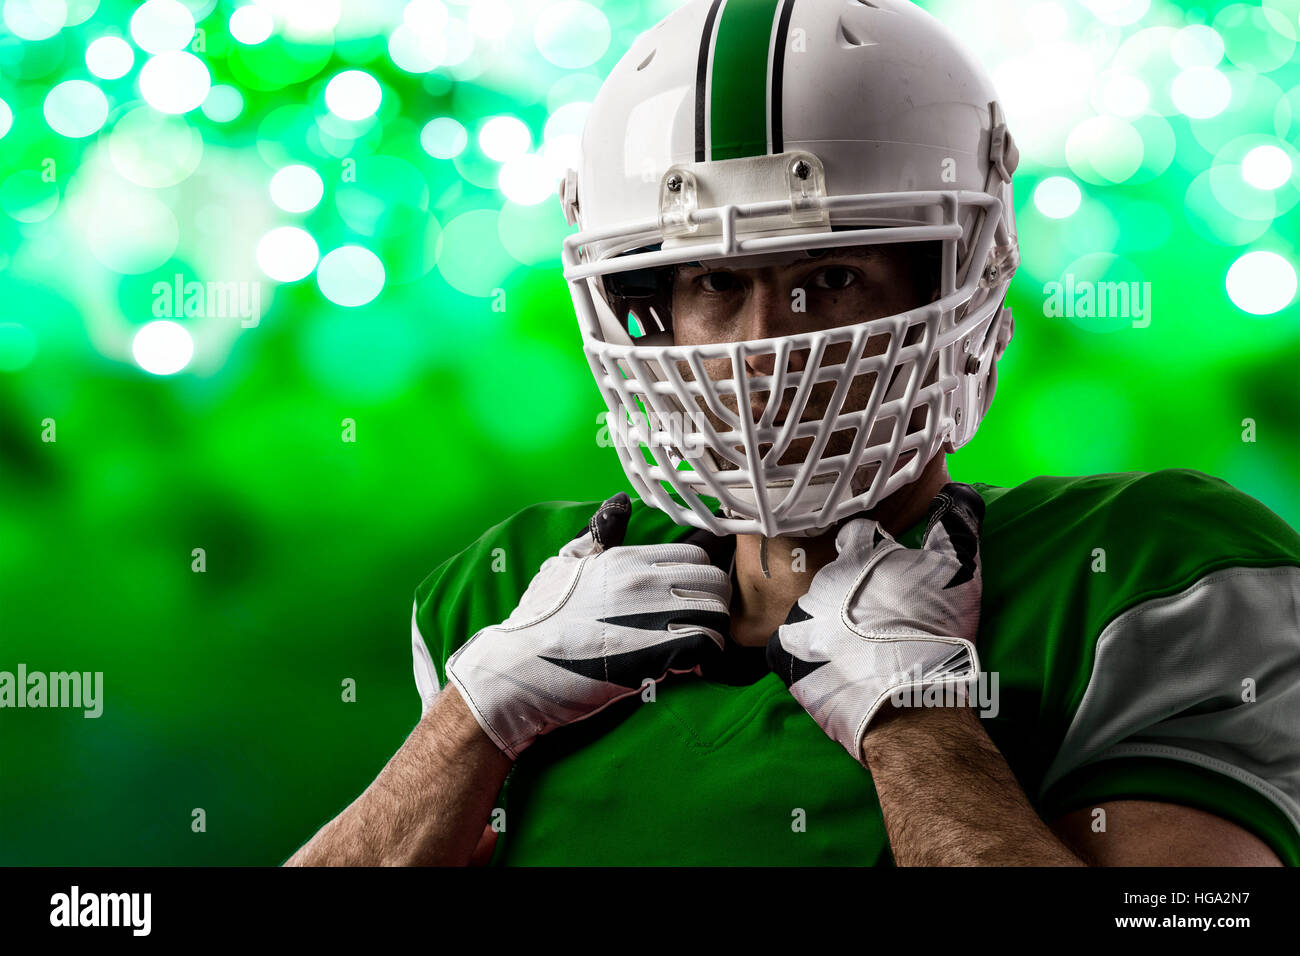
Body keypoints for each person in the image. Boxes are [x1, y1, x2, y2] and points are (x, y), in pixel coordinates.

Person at [285, 0, 1300, 866]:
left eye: (830, 277)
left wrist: (917, 723)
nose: (766, 344)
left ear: (955, 282)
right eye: (716, 282)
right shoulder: (507, 588)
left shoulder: (1142, 572)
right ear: (647, 307)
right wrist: (473, 717)